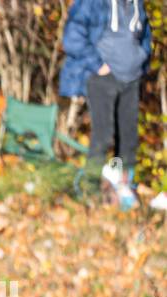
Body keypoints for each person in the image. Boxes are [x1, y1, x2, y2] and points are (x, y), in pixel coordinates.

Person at [60, 0, 153, 209]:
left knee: (128, 140)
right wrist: (97, 64)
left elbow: (145, 34)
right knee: (103, 137)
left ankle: (122, 188)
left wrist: (142, 57)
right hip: (103, 78)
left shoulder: (137, 4)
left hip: (131, 79)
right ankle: (90, 191)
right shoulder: (94, 3)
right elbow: (72, 37)